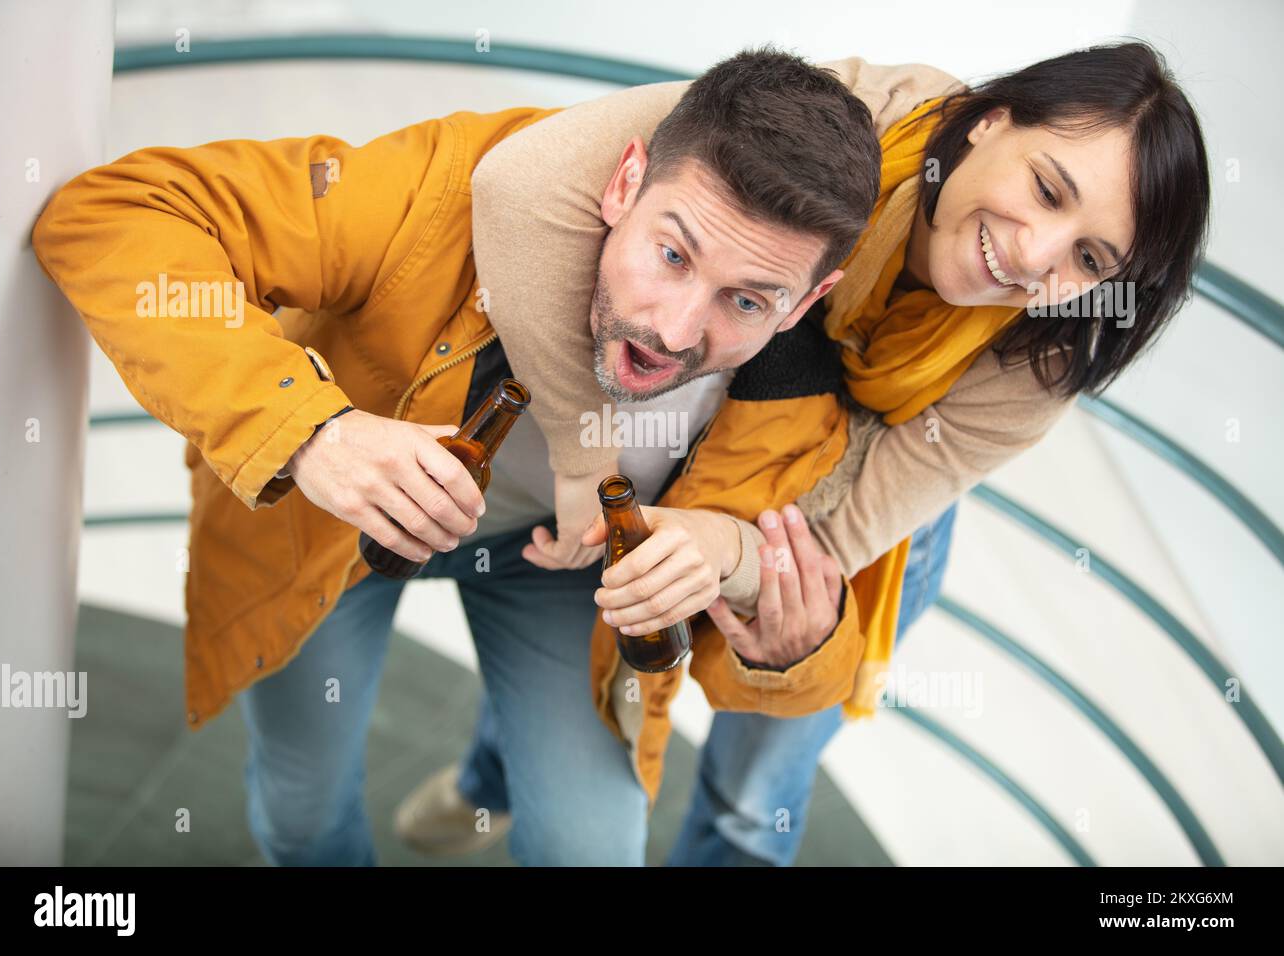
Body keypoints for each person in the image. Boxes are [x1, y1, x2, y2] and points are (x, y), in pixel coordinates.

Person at [31, 48, 890, 865]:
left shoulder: (807, 393)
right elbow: (110, 214)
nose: (672, 329)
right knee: (301, 814)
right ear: (625, 181)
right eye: (671, 254)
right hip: (335, 522)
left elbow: (752, 648)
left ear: (804, 302)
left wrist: (788, 651)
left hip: (563, 574)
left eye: (745, 300)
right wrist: (313, 433)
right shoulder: (437, 198)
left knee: (592, 851)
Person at [396, 41, 1212, 864]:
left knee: (758, 790)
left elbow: (827, 543)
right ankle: (497, 781)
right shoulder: (861, 117)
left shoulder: (1038, 364)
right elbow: (525, 184)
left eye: (1090, 259)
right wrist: (585, 454)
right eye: (1045, 189)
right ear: (988, 122)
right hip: (689, 445)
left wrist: (722, 551)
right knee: (592, 617)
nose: (1037, 258)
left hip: (854, 522)